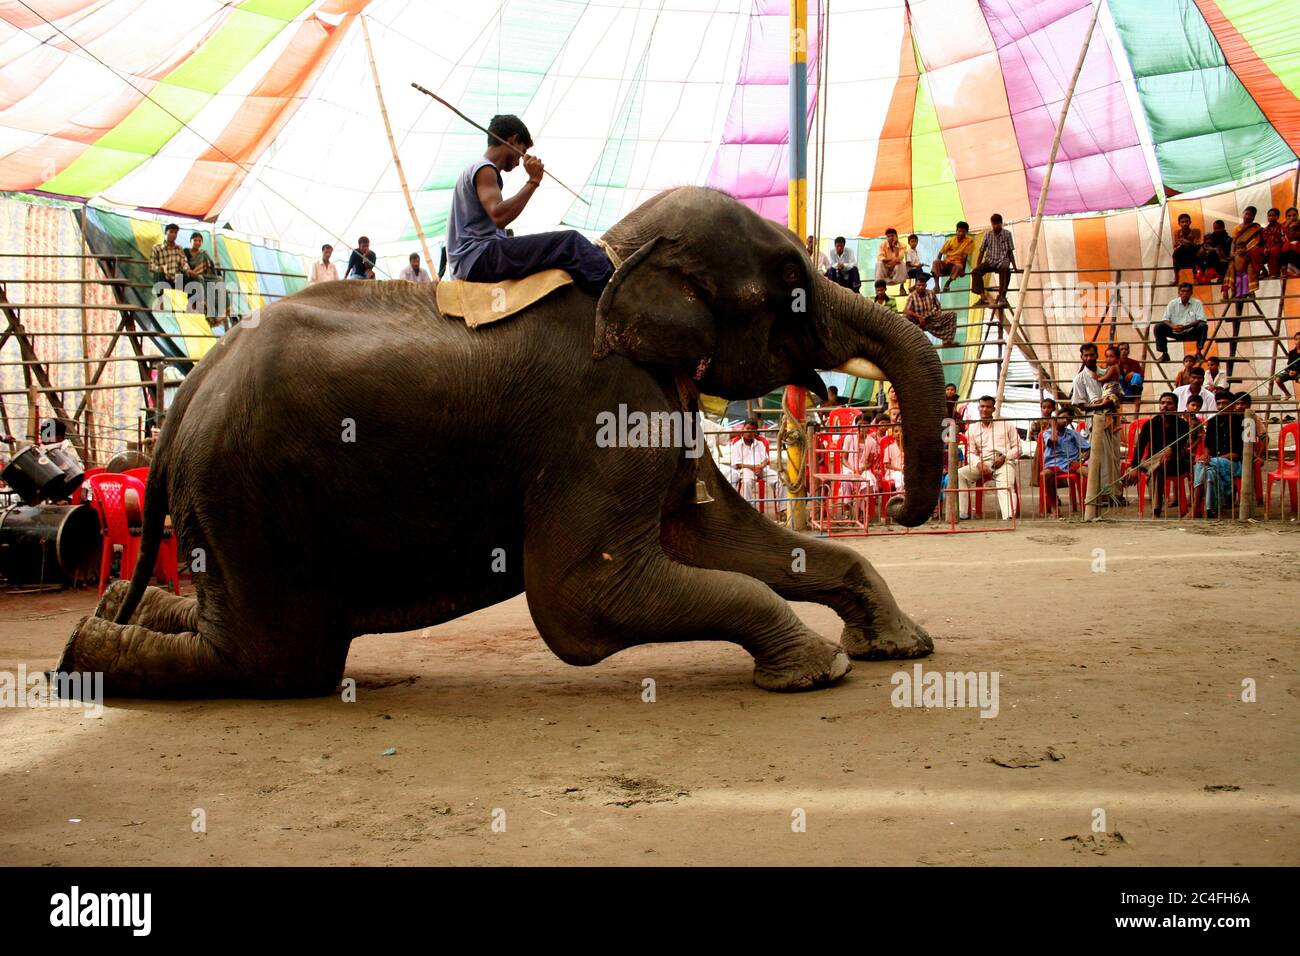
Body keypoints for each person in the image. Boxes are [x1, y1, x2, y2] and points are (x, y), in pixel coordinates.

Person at [446, 114, 613, 293]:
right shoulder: (484, 169)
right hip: (478, 257)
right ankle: (613, 290)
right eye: (522, 151)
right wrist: (533, 181)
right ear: (513, 140)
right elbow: (499, 216)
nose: (520, 161)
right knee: (569, 242)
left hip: (471, 259)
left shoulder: (476, 169)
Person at [1124, 391, 1191, 517]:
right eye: (1162, 403)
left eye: (1169, 403)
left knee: (1157, 464)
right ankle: (1156, 511)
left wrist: (1172, 448)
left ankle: (1141, 468)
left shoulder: (1182, 424)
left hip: (1176, 463)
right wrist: (1134, 464)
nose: (1165, 406)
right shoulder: (1151, 424)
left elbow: (1182, 441)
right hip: (1157, 465)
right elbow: (1140, 445)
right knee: (1156, 469)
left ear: (1175, 407)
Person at [958, 395, 1019, 520]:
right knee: (960, 474)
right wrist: (978, 464)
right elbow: (970, 452)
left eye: (988, 407)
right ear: (978, 408)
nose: (984, 409)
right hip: (983, 463)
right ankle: (962, 514)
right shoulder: (972, 429)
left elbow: (1018, 447)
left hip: (1004, 461)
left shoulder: (1006, 424)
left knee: (1006, 484)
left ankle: (1008, 516)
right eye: (982, 406)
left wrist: (1005, 457)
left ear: (994, 409)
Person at [1194, 393, 1246, 518]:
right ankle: (1209, 509)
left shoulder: (1243, 421)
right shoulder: (1213, 422)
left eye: (1225, 403)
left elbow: (1237, 454)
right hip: (1214, 462)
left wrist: (1212, 459)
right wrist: (1206, 455)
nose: (1221, 406)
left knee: (1201, 464)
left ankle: (1195, 507)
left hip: (1235, 463)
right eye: (1219, 403)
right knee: (1209, 471)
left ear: (1233, 404)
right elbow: (1208, 445)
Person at [1039, 408, 1088, 515]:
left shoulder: (1073, 434)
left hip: (1071, 462)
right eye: (1063, 417)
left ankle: (1088, 505)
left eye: (1068, 419)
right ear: (1057, 417)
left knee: (1088, 472)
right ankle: (1055, 507)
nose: (1065, 420)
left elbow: (1087, 448)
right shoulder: (1047, 433)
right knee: (1044, 475)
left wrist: (1081, 459)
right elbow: (1054, 440)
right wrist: (1053, 425)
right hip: (1054, 463)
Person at [728, 419, 779, 505]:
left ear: (755, 432)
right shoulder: (737, 445)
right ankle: (749, 508)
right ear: (743, 429)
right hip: (745, 470)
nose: (749, 432)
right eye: (747, 428)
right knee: (747, 481)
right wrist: (754, 467)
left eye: (752, 429)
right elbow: (738, 464)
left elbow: (766, 459)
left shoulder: (760, 444)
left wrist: (761, 467)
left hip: (761, 470)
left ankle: (782, 510)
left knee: (780, 480)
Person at [1153, 282, 1207, 363]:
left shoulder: (1197, 303)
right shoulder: (1172, 303)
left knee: (1203, 325)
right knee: (1158, 326)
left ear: (1191, 293)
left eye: (1187, 291)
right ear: (1179, 292)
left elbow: (1200, 319)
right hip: (1174, 331)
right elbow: (1165, 319)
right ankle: (1164, 354)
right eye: (1183, 291)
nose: (1185, 293)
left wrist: (1185, 327)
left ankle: (1198, 353)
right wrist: (1173, 326)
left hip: (1190, 331)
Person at [971, 213, 1015, 306]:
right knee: (975, 271)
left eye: (997, 224)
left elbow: (1010, 252)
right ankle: (983, 297)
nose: (995, 226)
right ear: (991, 223)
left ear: (1001, 223)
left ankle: (1002, 296)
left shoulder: (1007, 234)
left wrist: (1015, 267)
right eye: (993, 224)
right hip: (990, 261)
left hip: (1003, 260)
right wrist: (978, 265)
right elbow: (982, 251)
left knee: (1005, 269)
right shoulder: (988, 235)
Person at [901, 275, 958, 346]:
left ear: (926, 285)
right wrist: (919, 317)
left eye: (923, 285)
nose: (921, 287)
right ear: (915, 286)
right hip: (918, 321)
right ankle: (906, 343)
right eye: (919, 285)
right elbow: (906, 310)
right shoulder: (912, 296)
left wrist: (938, 312)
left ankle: (947, 341)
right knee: (905, 318)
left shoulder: (931, 293)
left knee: (952, 314)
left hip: (932, 318)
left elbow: (938, 305)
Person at [1224, 206, 1264, 298]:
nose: (1247, 216)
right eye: (1246, 214)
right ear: (1243, 214)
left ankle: (1251, 291)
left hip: (1249, 253)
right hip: (1238, 253)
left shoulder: (1256, 227)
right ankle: (1228, 291)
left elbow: (1257, 241)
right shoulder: (1237, 228)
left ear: (1253, 217)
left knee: (1249, 270)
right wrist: (1232, 253)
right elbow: (1234, 242)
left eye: (1250, 215)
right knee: (1231, 267)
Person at [184, 231, 219, 318]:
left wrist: (215, 276)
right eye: (195, 240)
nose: (197, 243)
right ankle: (201, 303)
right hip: (188, 276)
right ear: (190, 241)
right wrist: (189, 271)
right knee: (199, 278)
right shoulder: (185, 251)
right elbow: (182, 263)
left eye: (199, 241)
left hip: (202, 275)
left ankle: (220, 309)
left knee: (219, 281)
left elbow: (210, 265)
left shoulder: (203, 253)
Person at [931, 221, 973, 291]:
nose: (961, 233)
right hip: (946, 264)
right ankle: (936, 285)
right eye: (959, 231)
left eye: (963, 232)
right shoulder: (951, 240)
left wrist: (963, 271)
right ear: (956, 231)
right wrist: (937, 266)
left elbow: (965, 257)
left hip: (956, 266)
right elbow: (941, 252)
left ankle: (948, 283)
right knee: (936, 262)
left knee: (959, 266)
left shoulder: (969, 241)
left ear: (966, 233)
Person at [149, 223, 187, 290]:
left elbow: (184, 264)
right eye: (171, 232)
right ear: (166, 233)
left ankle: (195, 300)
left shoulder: (179, 249)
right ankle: (161, 299)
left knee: (193, 278)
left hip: (177, 279)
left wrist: (188, 270)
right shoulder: (157, 248)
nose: (173, 235)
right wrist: (159, 268)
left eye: (175, 233)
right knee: (158, 274)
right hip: (163, 278)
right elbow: (151, 265)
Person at [1171, 212, 1201, 278]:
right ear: (1179, 224)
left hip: (1193, 251)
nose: (1184, 224)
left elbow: (1197, 244)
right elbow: (1176, 246)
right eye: (1182, 222)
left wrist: (1187, 242)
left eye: (1186, 221)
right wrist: (1183, 244)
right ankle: (1176, 277)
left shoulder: (1196, 231)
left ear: (1190, 222)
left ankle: (1196, 275)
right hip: (1182, 253)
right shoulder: (1177, 232)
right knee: (1175, 254)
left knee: (1197, 250)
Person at [1272, 330, 1300, 397]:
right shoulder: (1292, 352)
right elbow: (1289, 364)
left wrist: (1297, 371)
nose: (1298, 341)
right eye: (1296, 339)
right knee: (1278, 379)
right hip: (1292, 372)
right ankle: (1287, 394)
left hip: (1299, 373)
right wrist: (1290, 371)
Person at [1261, 207, 1284, 279]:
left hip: (1278, 246)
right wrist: (1265, 248)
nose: (1271, 217)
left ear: (1278, 217)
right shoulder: (1265, 230)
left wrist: (1269, 248)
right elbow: (1263, 241)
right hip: (1267, 247)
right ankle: (1263, 271)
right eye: (1269, 216)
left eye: (1274, 215)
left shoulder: (1281, 227)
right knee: (1254, 251)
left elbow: (1282, 239)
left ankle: (1275, 272)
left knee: (1274, 250)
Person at [1281, 207, 1300, 277]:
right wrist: (1287, 226)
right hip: (1288, 250)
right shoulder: (1283, 225)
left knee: (1292, 244)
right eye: (1289, 216)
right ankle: (1286, 270)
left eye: (1294, 215)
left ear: (1298, 215)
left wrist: (1291, 227)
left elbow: (1292, 238)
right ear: (1286, 217)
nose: (1292, 217)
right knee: (1286, 246)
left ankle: (1296, 270)